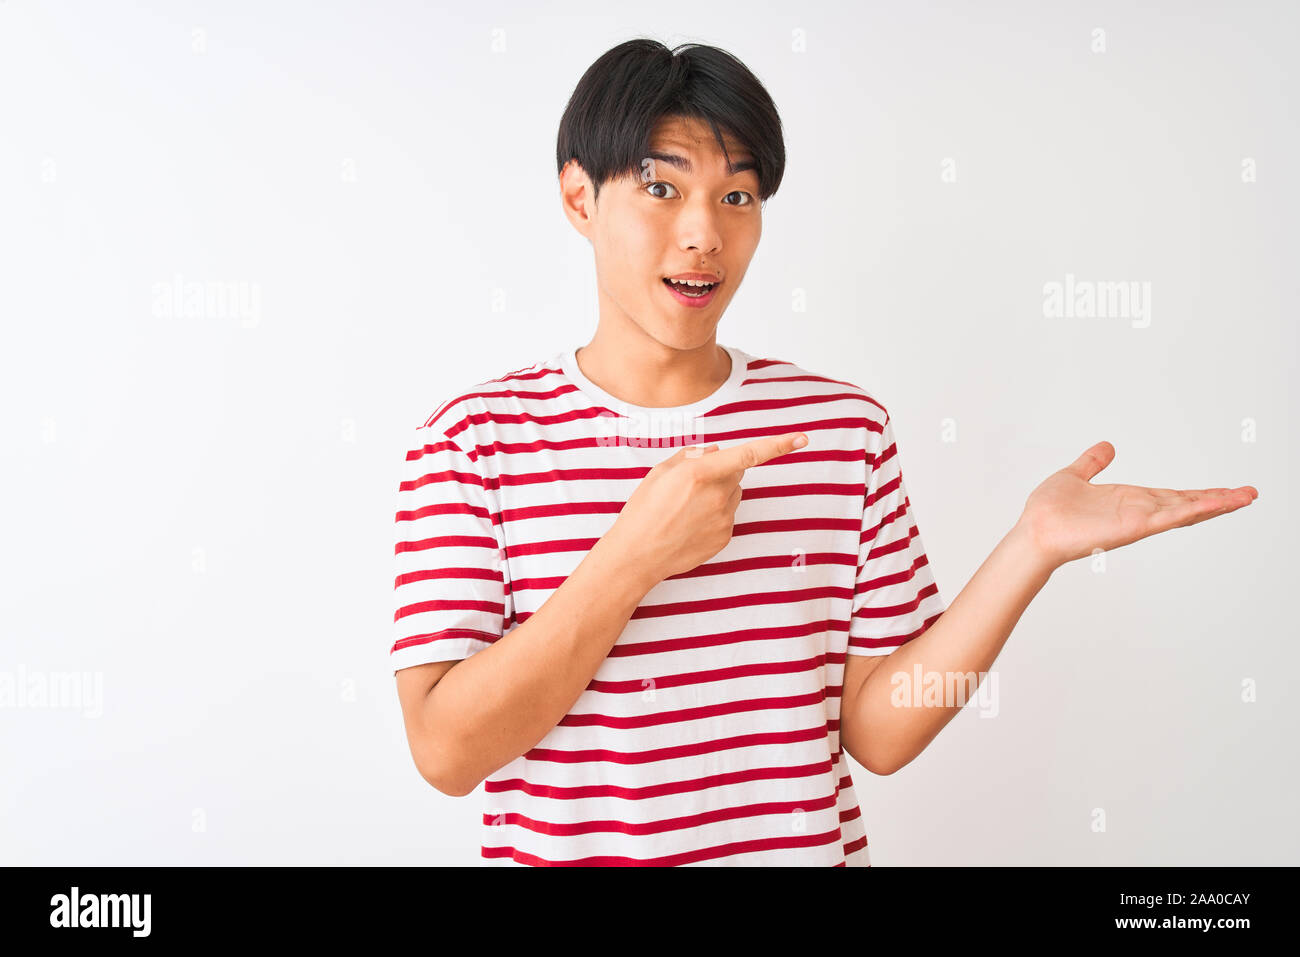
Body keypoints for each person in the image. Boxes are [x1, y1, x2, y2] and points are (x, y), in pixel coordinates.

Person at [389, 39, 1258, 866]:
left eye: (738, 196)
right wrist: (632, 557)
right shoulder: (473, 441)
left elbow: (882, 732)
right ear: (580, 199)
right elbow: (446, 753)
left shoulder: (840, 428)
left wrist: (1029, 550)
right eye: (662, 188)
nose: (704, 234)